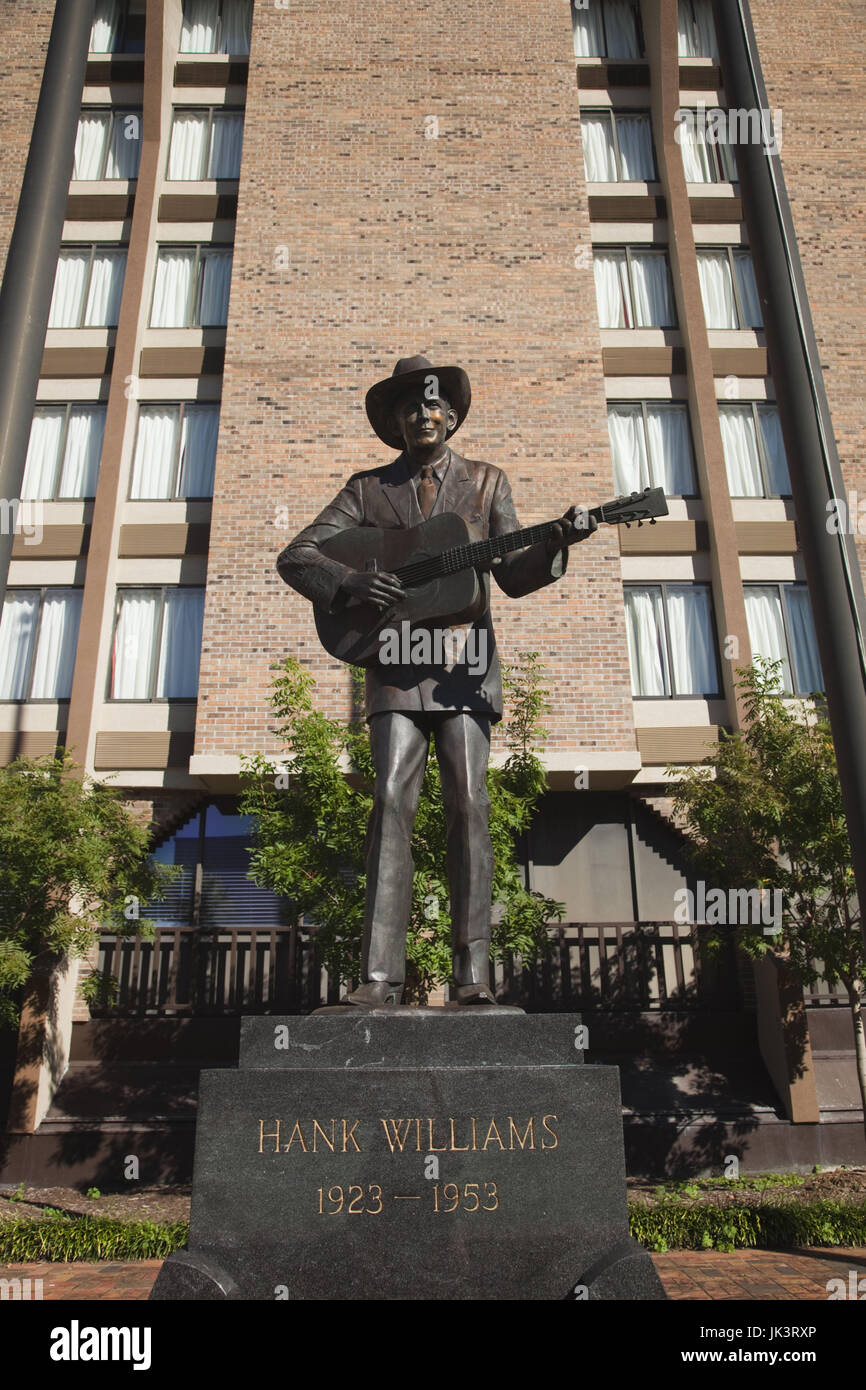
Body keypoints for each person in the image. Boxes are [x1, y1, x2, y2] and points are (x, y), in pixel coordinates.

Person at [276, 355, 596, 1005]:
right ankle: (375, 976)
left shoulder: (486, 484)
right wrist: (353, 582)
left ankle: (472, 974)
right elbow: (298, 556)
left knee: (470, 803)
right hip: (393, 663)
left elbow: (511, 574)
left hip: (463, 671)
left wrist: (558, 541)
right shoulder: (367, 491)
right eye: (409, 408)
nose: (422, 415)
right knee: (390, 801)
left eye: (432, 406)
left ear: (449, 416)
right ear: (395, 423)